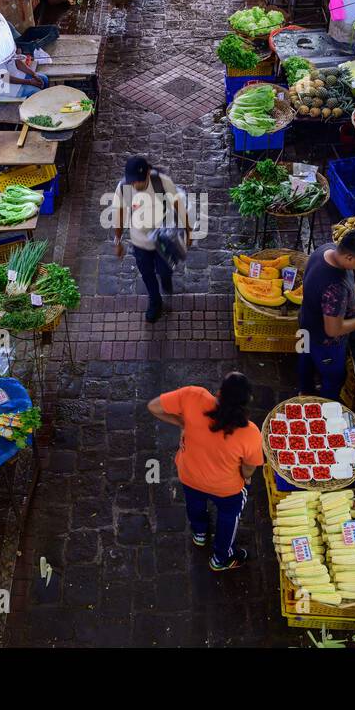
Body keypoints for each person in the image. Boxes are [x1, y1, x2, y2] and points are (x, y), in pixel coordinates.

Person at [148, 372, 262, 571]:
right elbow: (249, 467)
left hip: (190, 474)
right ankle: (221, 558)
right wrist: (246, 479)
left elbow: (154, 407)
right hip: (226, 488)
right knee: (229, 515)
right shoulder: (250, 433)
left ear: (219, 393)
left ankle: (199, 533)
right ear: (246, 403)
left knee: (195, 503)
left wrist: (182, 422)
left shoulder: (193, 396)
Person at [297, 230, 355, 399]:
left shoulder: (326, 250)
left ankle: (304, 391)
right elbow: (333, 330)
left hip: (304, 324)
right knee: (333, 377)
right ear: (349, 258)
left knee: (304, 360)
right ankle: (325, 405)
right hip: (325, 342)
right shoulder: (335, 288)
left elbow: (348, 280)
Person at [113, 155, 189, 323]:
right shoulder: (124, 187)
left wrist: (189, 232)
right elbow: (119, 216)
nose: (136, 185)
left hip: (163, 239)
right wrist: (117, 241)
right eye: (133, 181)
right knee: (147, 274)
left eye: (139, 181)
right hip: (139, 242)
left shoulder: (162, 182)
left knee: (164, 270)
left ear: (148, 173)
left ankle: (166, 279)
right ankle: (155, 301)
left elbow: (179, 207)